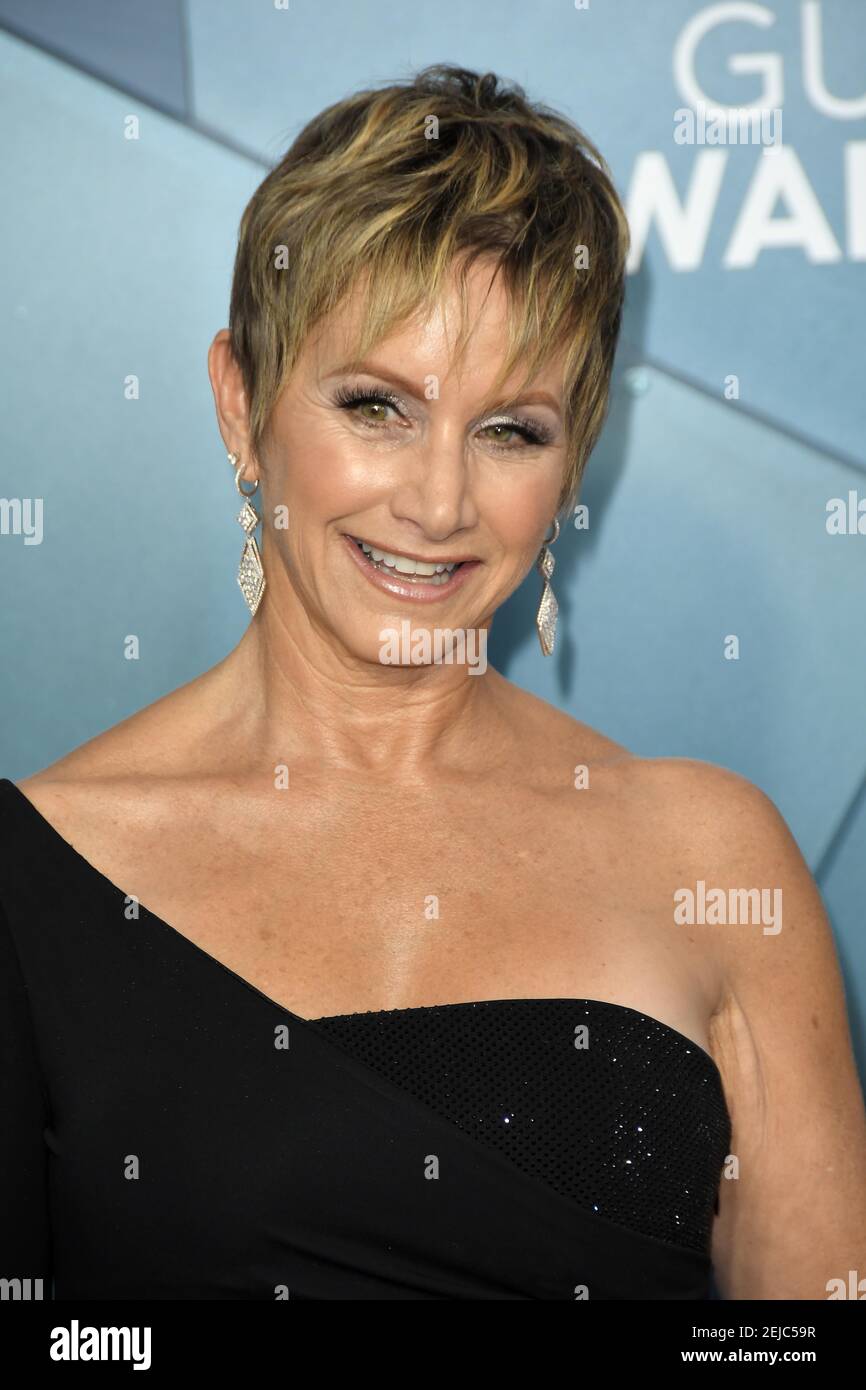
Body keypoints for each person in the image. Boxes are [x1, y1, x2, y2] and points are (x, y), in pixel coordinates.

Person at [2, 65, 864, 1301]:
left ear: (571, 469)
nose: (440, 502)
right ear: (240, 404)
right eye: (376, 407)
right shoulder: (38, 881)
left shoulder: (714, 862)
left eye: (510, 429)